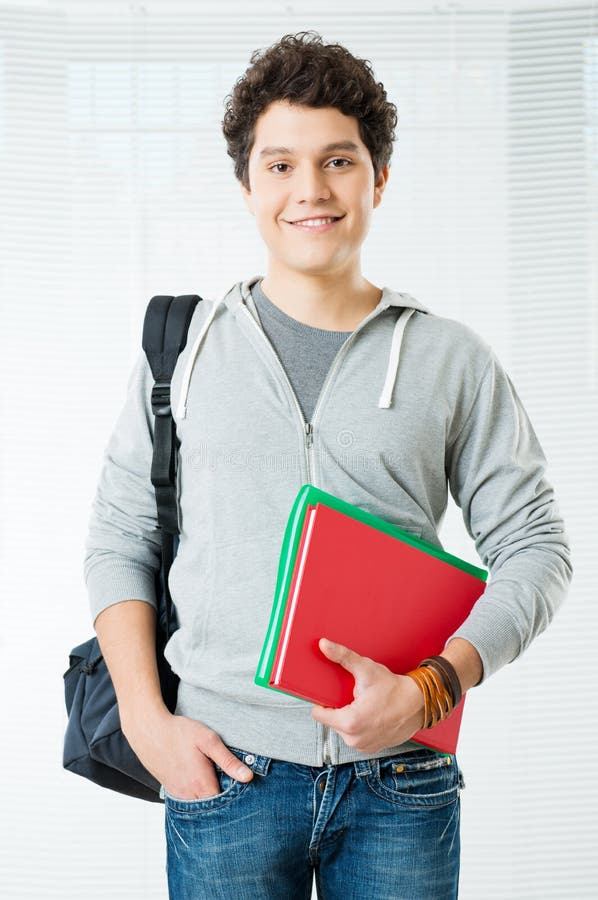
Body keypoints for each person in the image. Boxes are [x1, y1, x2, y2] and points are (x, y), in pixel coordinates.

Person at [85, 30, 572, 900]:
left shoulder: (451, 360)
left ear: (378, 178)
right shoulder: (182, 350)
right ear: (247, 185)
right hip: (220, 773)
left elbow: (537, 547)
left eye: (338, 161)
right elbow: (121, 535)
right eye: (280, 165)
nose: (309, 190)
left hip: (402, 780)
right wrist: (147, 721)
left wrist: (434, 687)